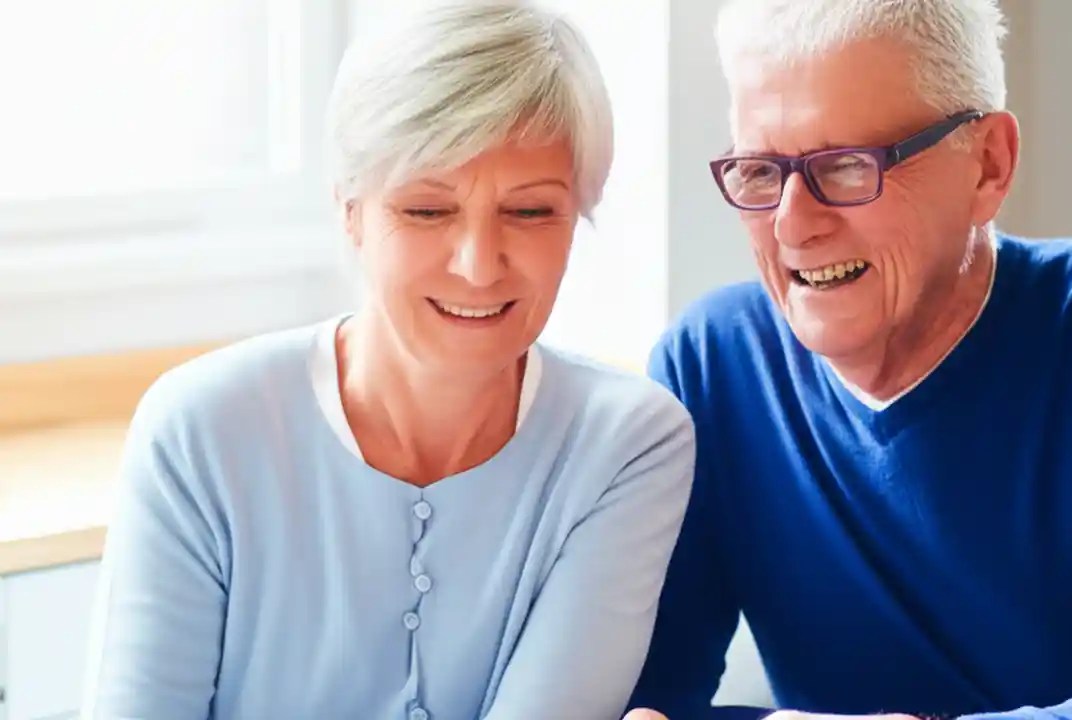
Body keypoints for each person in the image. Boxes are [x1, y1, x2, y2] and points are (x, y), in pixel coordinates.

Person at [626, 0, 1072, 718]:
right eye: (759, 171)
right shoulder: (712, 364)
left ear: (988, 166)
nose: (792, 224)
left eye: (846, 167)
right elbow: (647, 705)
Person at [81, 3, 695, 718]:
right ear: (351, 212)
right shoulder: (201, 432)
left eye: (529, 212)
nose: (478, 265)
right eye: (426, 211)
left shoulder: (629, 444)